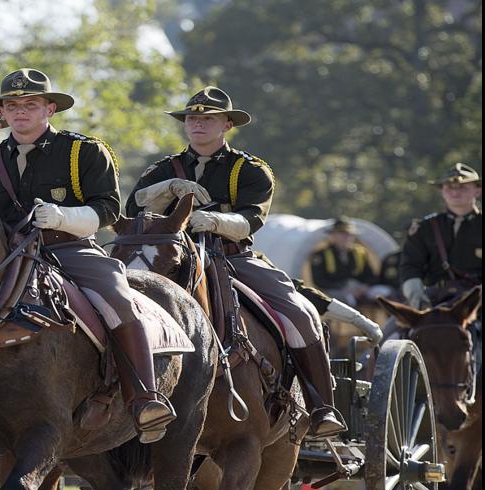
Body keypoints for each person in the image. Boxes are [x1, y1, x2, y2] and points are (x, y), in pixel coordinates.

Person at [125, 86, 344, 438]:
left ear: (227, 125)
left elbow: (252, 220)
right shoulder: (163, 169)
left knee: (299, 314)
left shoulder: (250, 169)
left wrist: (214, 221)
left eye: (208, 119)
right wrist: (167, 188)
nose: (198, 124)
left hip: (231, 257)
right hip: (173, 259)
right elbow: (133, 212)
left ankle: (321, 407)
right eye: (192, 119)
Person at [0, 68, 174, 441]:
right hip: (7, 257)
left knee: (117, 299)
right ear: (1, 112)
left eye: (30, 104)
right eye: (12, 105)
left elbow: (108, 209)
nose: (20, 111)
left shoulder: (84, 151)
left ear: (50, 109)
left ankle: (143, 397)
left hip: (68, 248)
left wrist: (64, 217)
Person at [399, 162, 482, 310]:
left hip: (478, 301)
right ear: (442, 191)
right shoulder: (425, 228)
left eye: (462, 187)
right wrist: (416, 296)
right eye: (449, 187)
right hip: (435, 301)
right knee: (391, 324)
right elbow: (410, 266)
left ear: (477, 191)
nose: (455, 192)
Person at [308, 218, 386, 306]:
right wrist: (343, 288)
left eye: (349, 234)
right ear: (333, 236)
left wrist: (364, 287)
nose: (346, 237)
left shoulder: (360, 253)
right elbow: (319, 280)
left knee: (383, 292)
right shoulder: (321, 255)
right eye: (342, 234)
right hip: (335, 290)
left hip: (358, 287)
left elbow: (370, 275)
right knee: (348, 299)